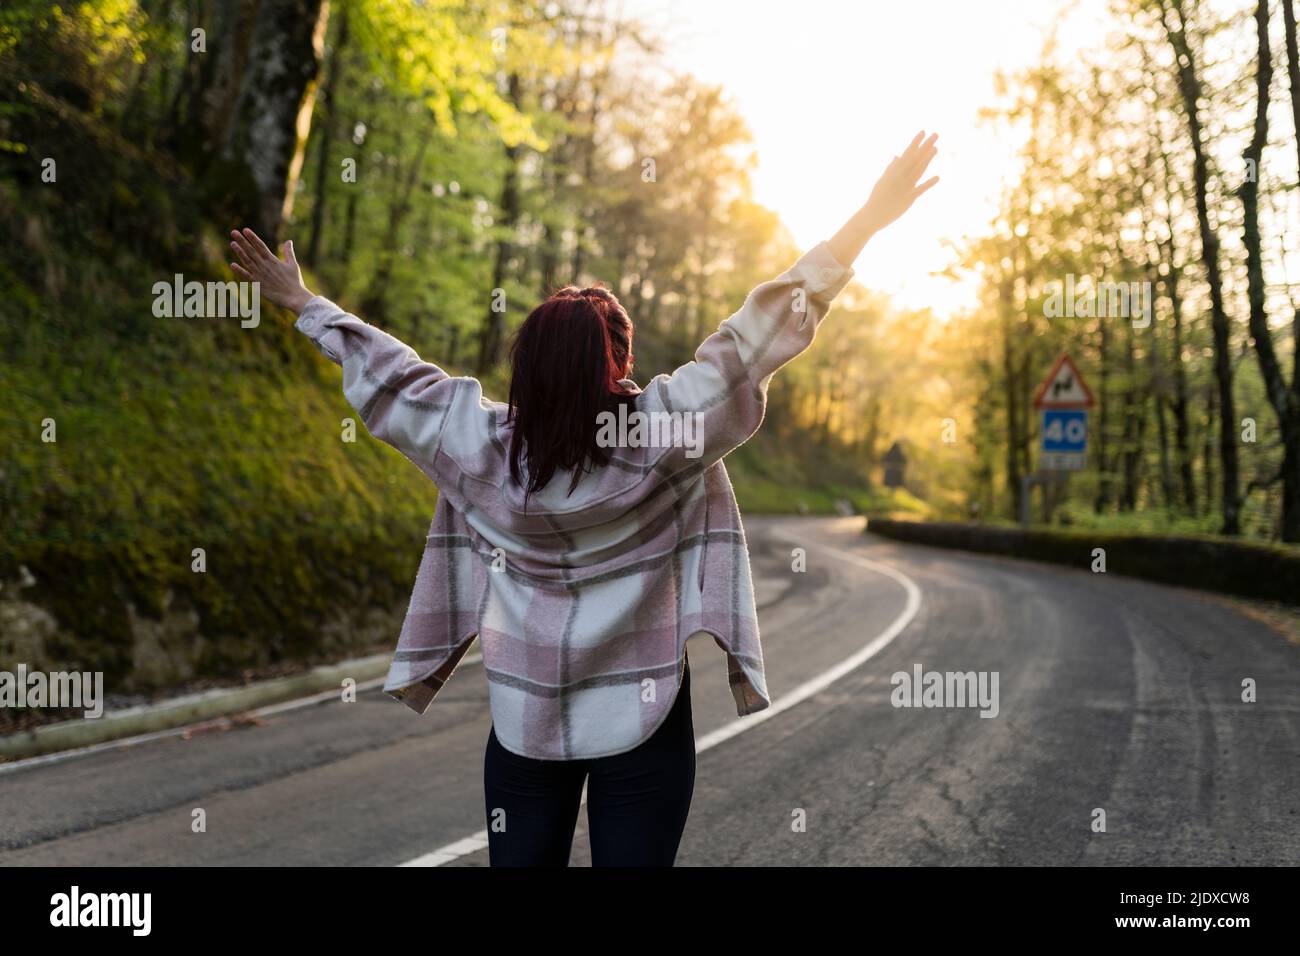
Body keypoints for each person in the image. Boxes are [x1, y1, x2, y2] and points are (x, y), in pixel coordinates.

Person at [228, 131, 939, 867]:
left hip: (524, 727)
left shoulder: (478, 445)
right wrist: (864, 223)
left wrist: (303, 303)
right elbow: (751, 343)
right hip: (647, 719)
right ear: (622, 364)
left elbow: (396, 378)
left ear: (524, 369)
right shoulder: (665, 436)